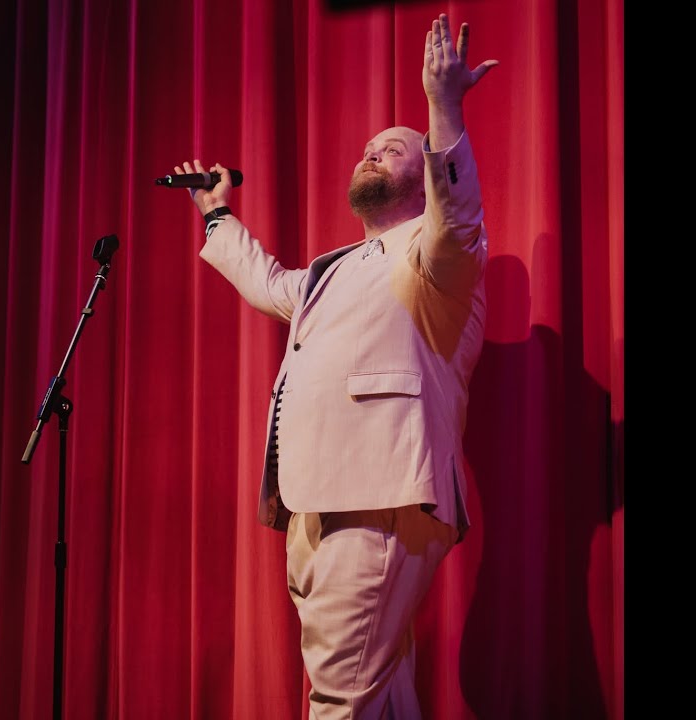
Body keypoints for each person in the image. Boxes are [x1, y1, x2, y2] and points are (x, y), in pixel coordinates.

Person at [176, 14, 498, 719]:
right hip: (316, 497)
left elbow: (461, 216)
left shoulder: (441, 253)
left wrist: (443, 108)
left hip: (381, 491)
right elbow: (267, 283)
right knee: (379, 698)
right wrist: (215, 214)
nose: (371, 154)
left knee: (339, 698)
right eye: (366, 149)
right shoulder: (333, 269)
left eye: (391, 149)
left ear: (425, 175)